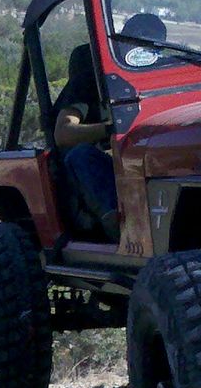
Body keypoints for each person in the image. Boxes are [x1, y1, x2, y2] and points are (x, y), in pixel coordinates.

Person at [52, 13, 163, 239]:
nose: (140, 52)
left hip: (148, 161)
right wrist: (110, 128)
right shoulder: (91, 81)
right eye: (136, 44)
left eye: (149, 47)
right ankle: (120, 228)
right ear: (121, 44)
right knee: (81, 155)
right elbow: (63, 133)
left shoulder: (161, 79)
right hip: (106, 165)